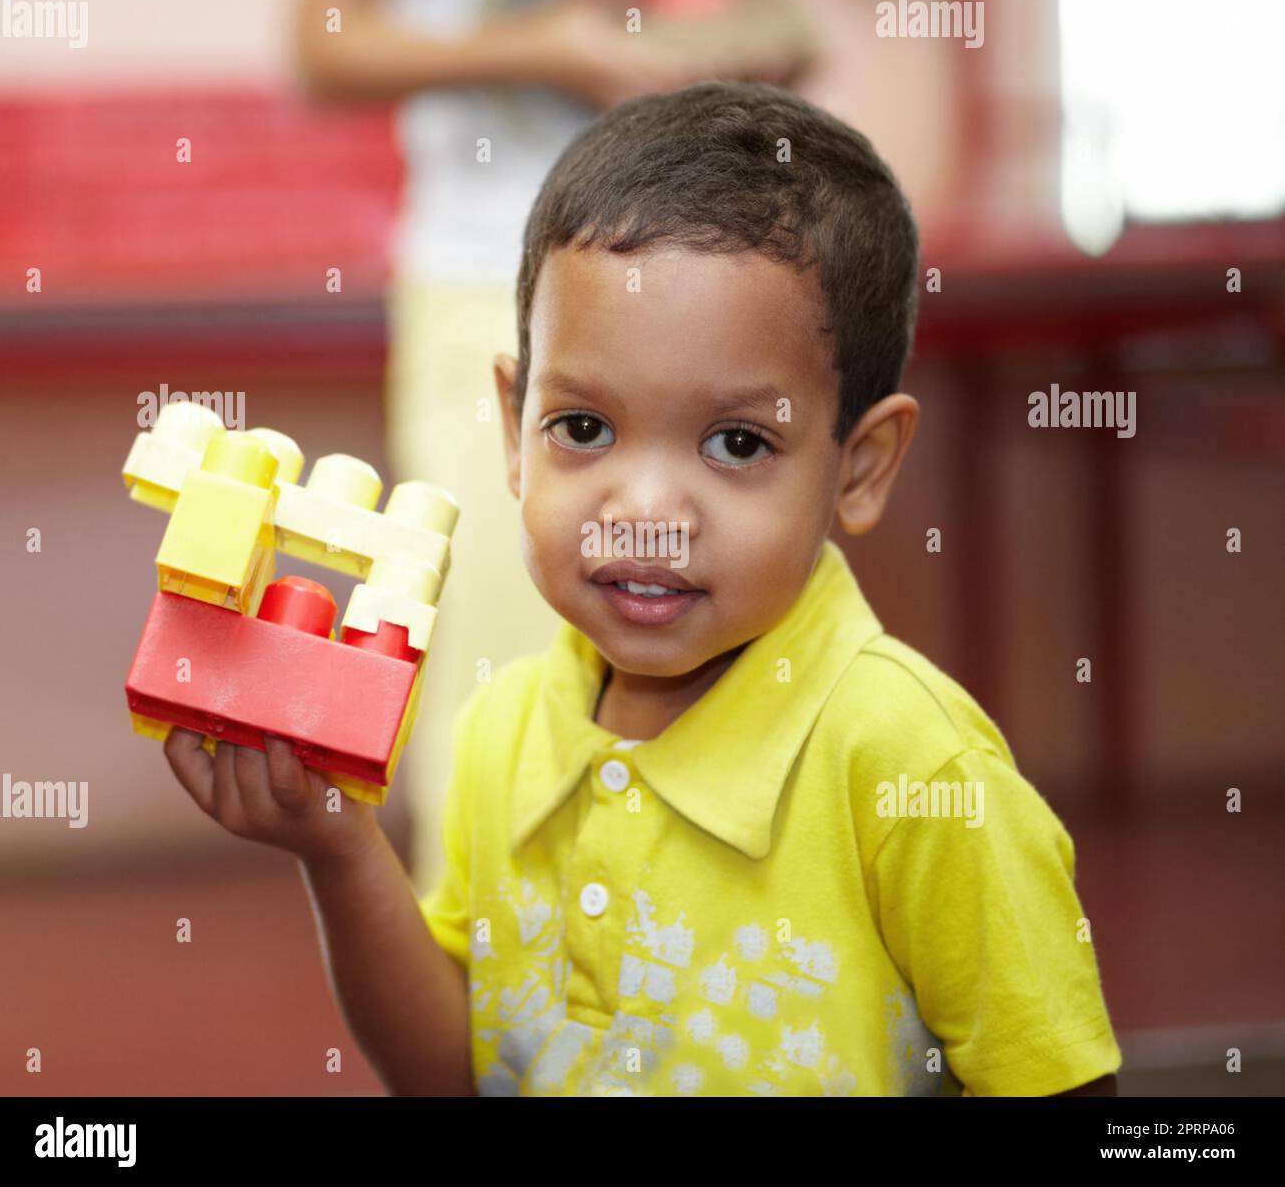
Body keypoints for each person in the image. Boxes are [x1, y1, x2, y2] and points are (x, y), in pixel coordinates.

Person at [163, 79, 1123, 1096]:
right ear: (512, 427)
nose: (645, 509)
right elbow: (454, 1069)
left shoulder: (910, 763)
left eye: (736, 442)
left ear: (859, 466)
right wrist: (339, 849)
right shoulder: (502, 731)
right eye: (582, 428)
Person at [293, 0, 810, 898]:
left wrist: (663, 60)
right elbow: (324, 48)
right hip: (482, 280)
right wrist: (545, 49)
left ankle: (675, 948)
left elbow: (786, 29)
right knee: (499, 655)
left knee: (694, 640)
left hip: (677, 276)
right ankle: (483, 958)